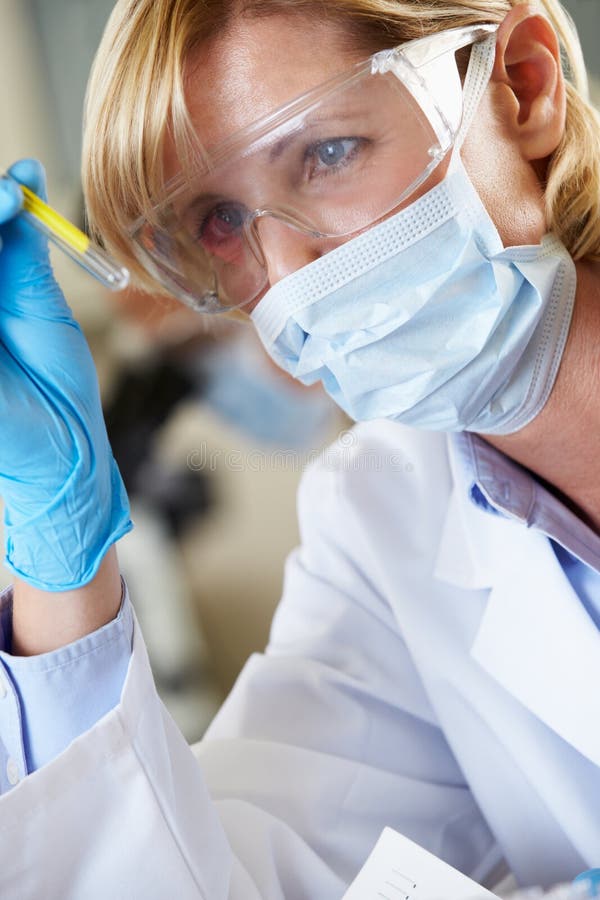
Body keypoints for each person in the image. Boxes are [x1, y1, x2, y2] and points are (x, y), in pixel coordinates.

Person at [0, 0, 599, 896]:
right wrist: (62, 562)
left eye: (326, 154)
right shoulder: (381, 517)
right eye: (221, 222)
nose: (288, 270)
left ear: (522, 83)